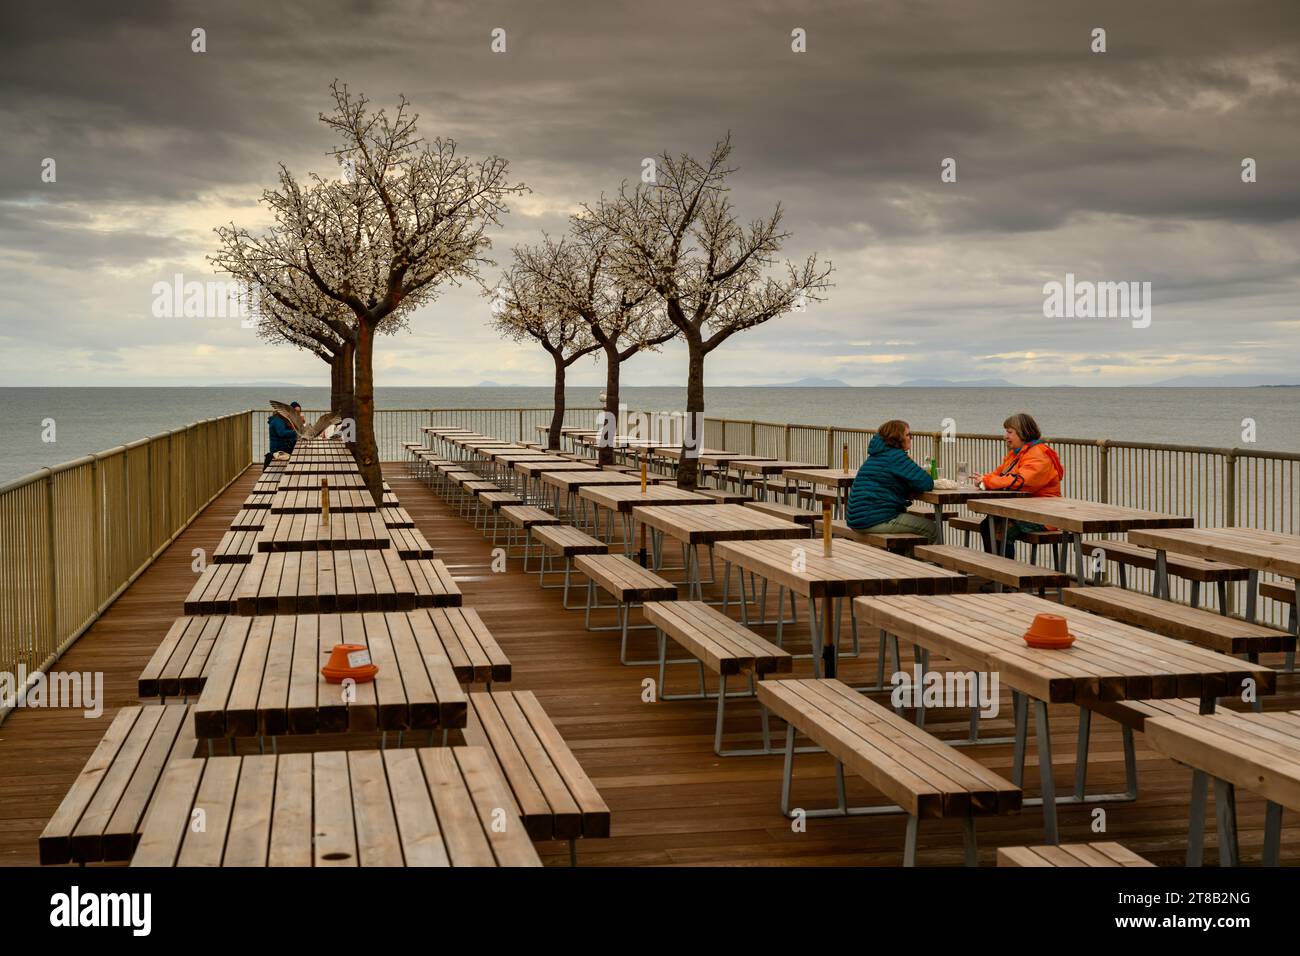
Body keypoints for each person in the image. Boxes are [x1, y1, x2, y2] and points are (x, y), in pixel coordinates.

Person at [977, 412, 1063, 557]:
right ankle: (995, 573)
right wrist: (984, 479)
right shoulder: (1017, 454)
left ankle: (1005, 575)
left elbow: (1021, 481)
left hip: (1045, 515)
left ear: (1023, 433)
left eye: (1009, 432)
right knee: (987, 525)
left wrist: (987, 481)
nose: (1005, 436)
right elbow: (999, 474)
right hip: (1026, 510)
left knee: (1001, 530)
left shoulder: (1039, 455)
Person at [845, 420, 937, 542]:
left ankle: (907, 558)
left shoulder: (878, 455)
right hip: (874, 520)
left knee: (912, 523)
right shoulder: (895, 456)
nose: (911, 438)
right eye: (908, 435)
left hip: (857, 518)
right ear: (898, 438)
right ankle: (920, 561)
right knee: (932, 528)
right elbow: (926, 483)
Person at [264, 401, 301, 467]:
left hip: (283, 449)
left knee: (299, 454)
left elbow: (288, 434)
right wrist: (297, 433)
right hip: (279, 451)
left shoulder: (282, 420)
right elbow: (282, 433)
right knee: (299, 457)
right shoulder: (277, 421)